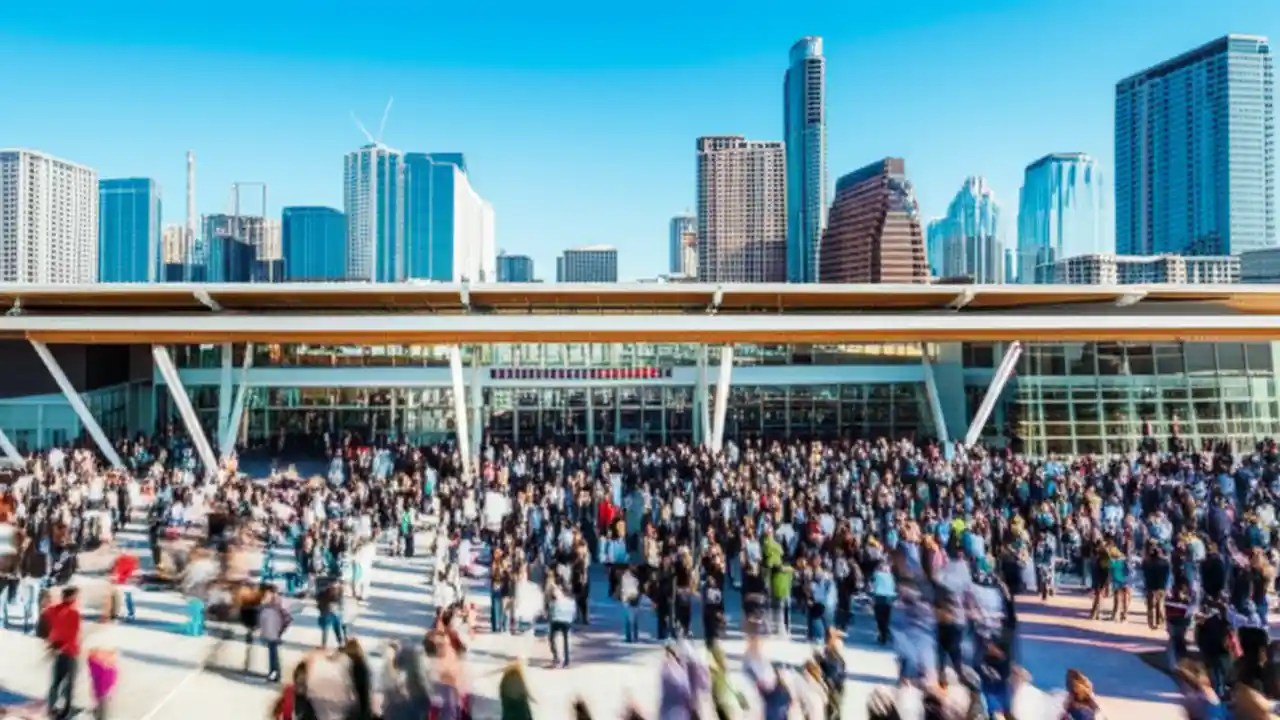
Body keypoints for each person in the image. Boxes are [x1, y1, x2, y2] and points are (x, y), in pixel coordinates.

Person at [43, 585, 82, 720]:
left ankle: (51, 707)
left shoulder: (53, 610)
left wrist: (52, 644)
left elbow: (46, 613)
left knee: (56, 681)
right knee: (70, 683)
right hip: (70, 652)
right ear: (72, 597)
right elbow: (73, 634)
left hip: (57, 650)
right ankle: (66, 711)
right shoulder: (74, 613)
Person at [257, 584, 293, 682]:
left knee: (273, 653)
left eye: (268, 592)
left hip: (274, 632)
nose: (265, 594)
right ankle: (274, 672)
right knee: (273, 653)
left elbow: (287, 618)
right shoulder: (267, 603)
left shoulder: (277, 604)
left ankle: (274, 672)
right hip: (270, 632)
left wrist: (281, 630)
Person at [549, 583, 575, 668]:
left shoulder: (567, 602)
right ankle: (557, 657)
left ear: (561, 592)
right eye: (554, 592)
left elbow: (572, 613)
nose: (555, 594)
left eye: (556, 592)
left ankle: (565, 660)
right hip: (559, 621)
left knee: (564, 639)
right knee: (552, 637)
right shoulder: (554, 602)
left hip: (563, 622)